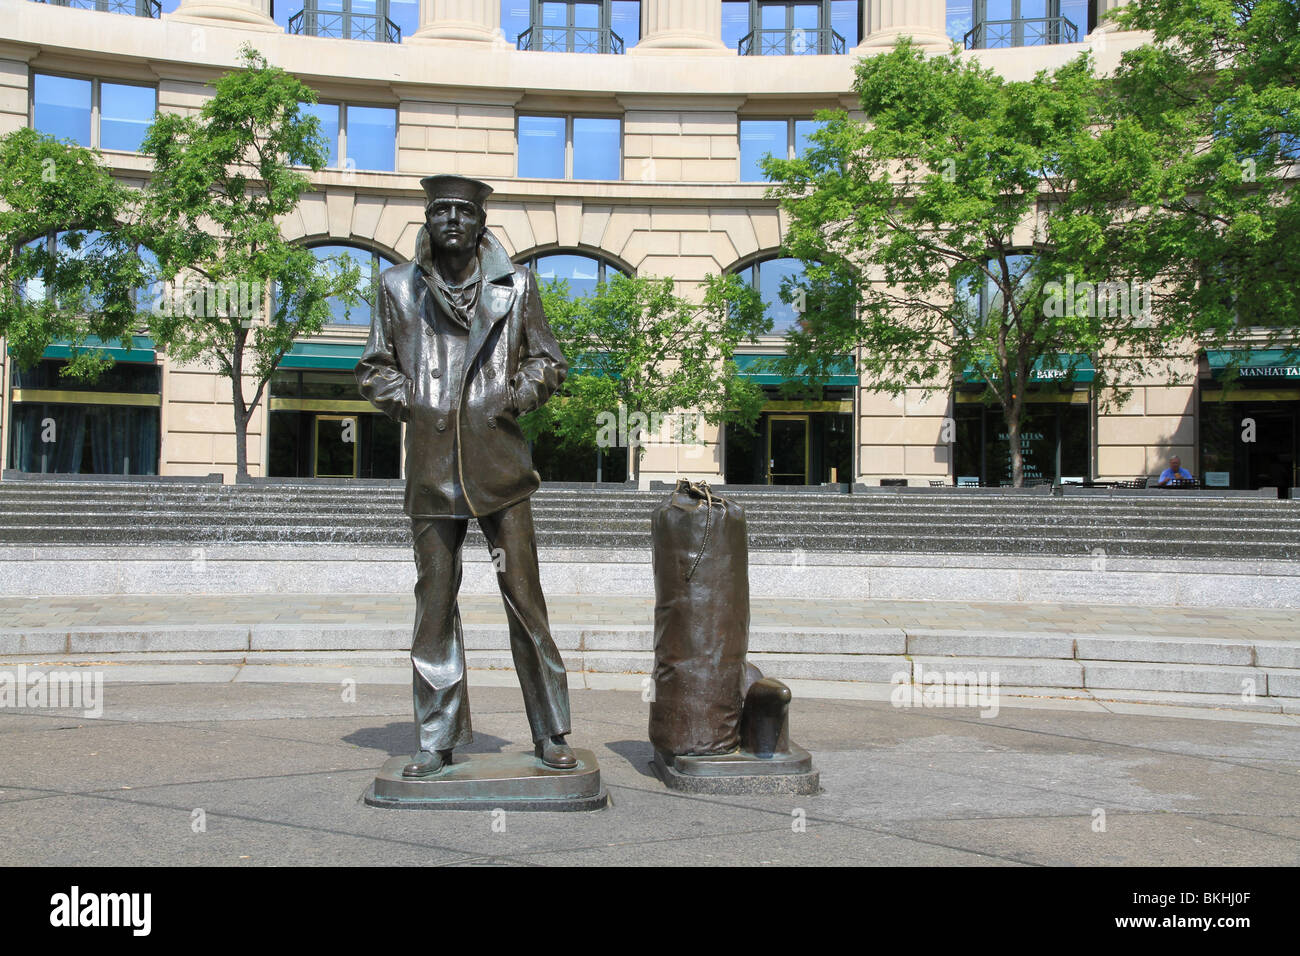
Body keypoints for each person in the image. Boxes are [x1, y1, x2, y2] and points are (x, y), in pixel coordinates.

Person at [355, 174, 575, 777]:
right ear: (427, 219)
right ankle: (436, 735)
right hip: (431, 471)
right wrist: (417, 400)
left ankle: (551, 730)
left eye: (463, 210)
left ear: (481, 221)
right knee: (434, 606)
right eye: (440, 210)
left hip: (501, 469)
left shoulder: (517, 285)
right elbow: (374, 370)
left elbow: (548, 361)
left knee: (526, 600)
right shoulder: (396, 288)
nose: (451, 219)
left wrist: (513, 396)